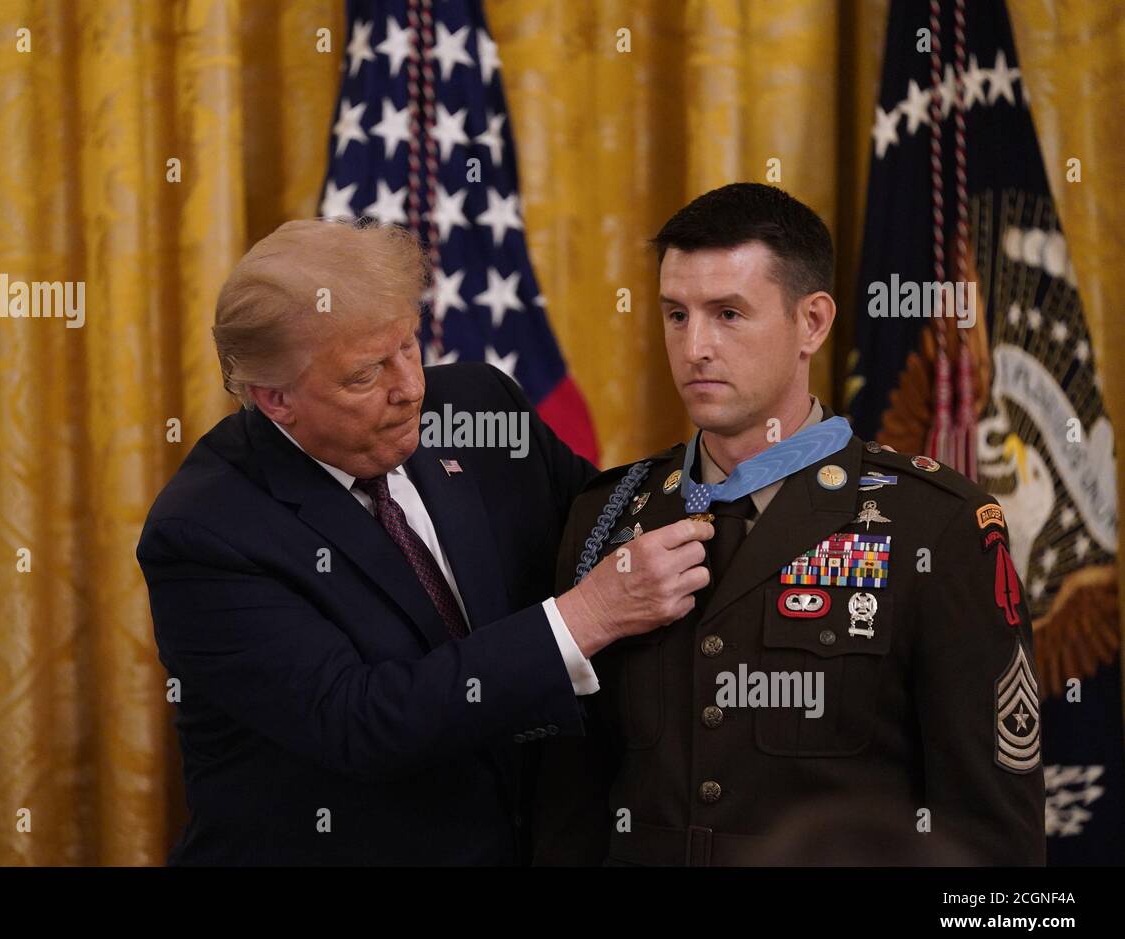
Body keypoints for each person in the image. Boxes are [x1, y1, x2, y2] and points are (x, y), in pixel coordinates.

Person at [136, 218, 712, 865]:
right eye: (364, 376)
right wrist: (587, 616)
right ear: (276, 400)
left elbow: (611, 520)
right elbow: (362, 723)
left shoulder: (478, 406)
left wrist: (749, 454)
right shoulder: (206, 532)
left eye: (408, 346)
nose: (410, 388)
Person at [532, 183, 1045, 866]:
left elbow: (991, 834)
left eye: (728, 314)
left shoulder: (936, 527)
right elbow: (567, 805)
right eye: (677, 315)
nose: (695, 348)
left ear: (813, 323)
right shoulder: (606, 516)